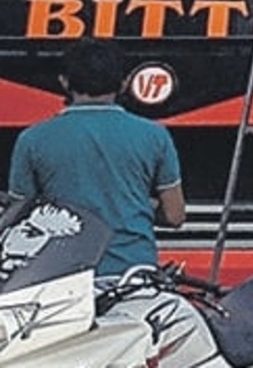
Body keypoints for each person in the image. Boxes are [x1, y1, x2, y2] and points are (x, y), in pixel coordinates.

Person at [6, 40, 184, 277]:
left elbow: (17, 215)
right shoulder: (156, 135)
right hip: (133, 275)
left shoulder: (32, 139)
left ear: (64, 82)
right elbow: (174, 215)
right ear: (123, 84)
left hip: (58, 277)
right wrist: (138, 205)